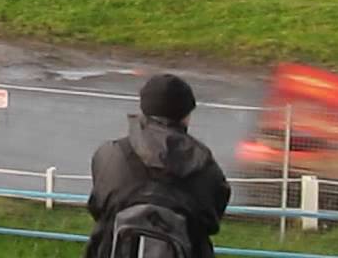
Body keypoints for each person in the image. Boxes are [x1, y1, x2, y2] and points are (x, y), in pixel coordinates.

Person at [84, 74, 230, 258]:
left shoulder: (111, 154)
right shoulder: (205, 166)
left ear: (143, 109)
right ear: (186, 116)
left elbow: (97, 207)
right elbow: (211, 221)